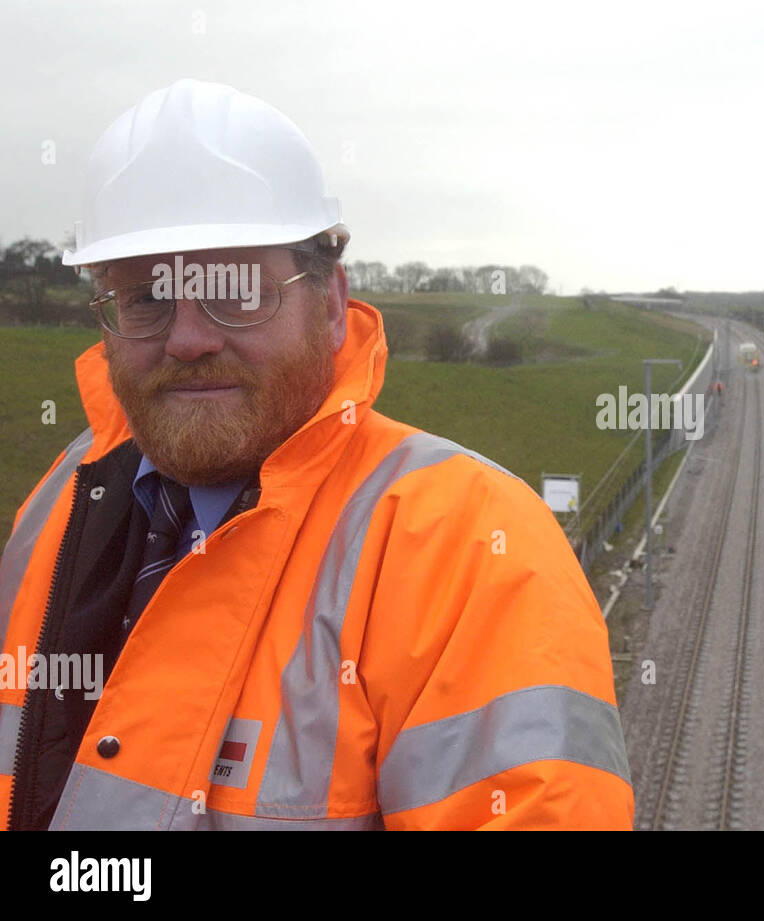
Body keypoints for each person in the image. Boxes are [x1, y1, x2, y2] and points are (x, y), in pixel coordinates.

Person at [0, 79, 634, 830]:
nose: (188, 338)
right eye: (145, 298)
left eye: (236, 292)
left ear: (330, 303)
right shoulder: (62, 497)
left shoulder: (467, 545)